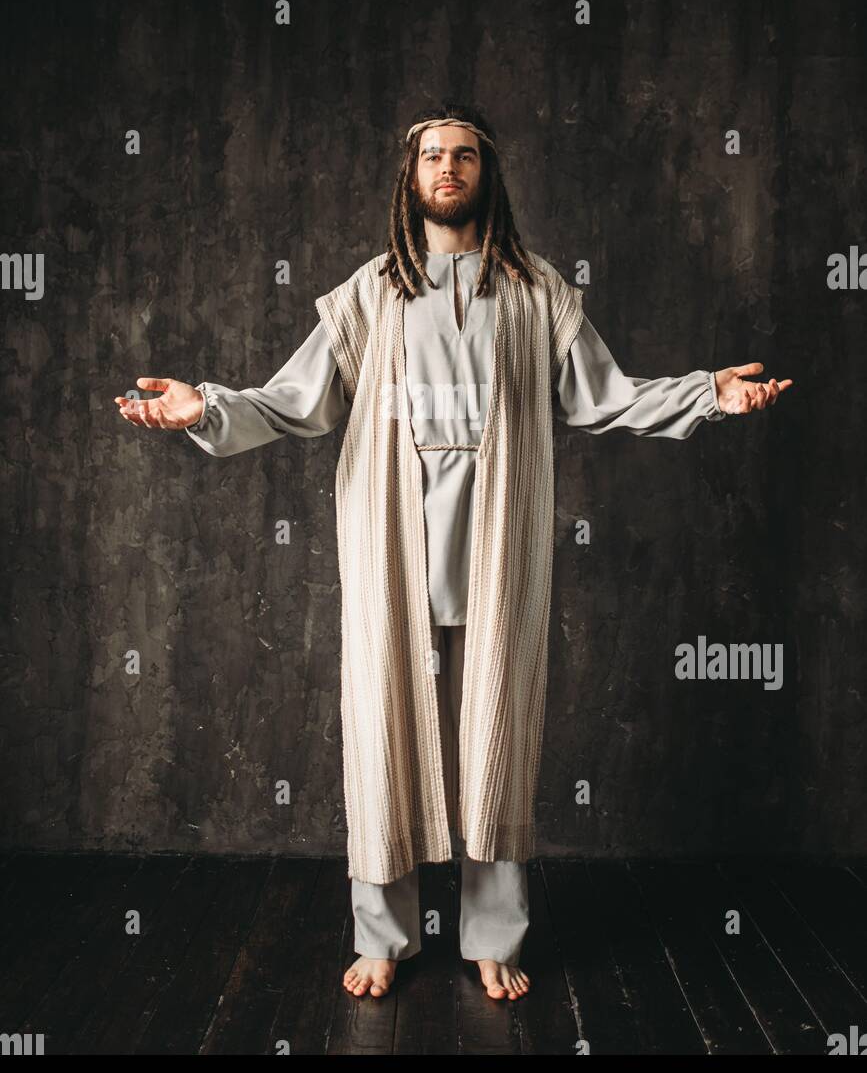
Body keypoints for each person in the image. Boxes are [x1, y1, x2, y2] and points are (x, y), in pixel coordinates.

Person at [115, 102, 792, 1002]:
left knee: (497, 737)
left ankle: (492, 935)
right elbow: (291, 401)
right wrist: (203, 407)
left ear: (487, 173)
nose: (446, 168)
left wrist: (709, 393)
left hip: (497, 548)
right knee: (382, 736)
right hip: (391, 547)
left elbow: (605, 396)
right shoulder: (370, 291)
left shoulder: (536, 290)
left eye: (463, 155)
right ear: (411, 176)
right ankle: (383, 937)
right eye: (432, 155)